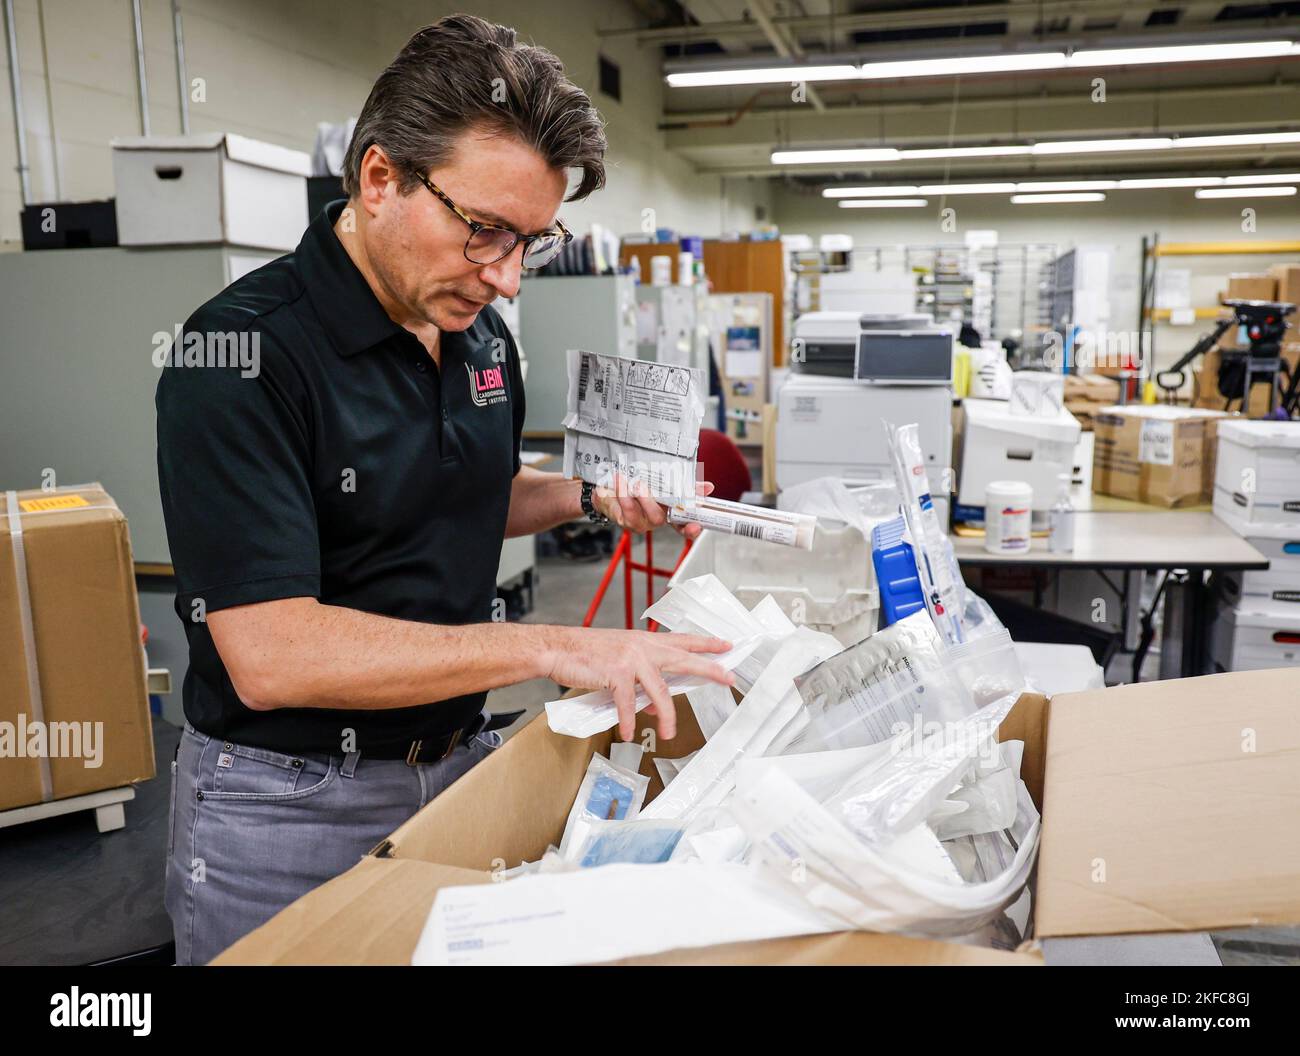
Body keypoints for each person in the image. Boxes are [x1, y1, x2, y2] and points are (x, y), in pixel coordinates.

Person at [155, 14, 732, 965]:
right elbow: (273, 653)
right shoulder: (242, 356)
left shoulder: (478, 338)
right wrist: (557, 645)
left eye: (531, 243)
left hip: (458, 769)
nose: (505, 279)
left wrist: (587, 495)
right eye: (484, 231)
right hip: (285, 808)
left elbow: (467, 492)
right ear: (379, 178)